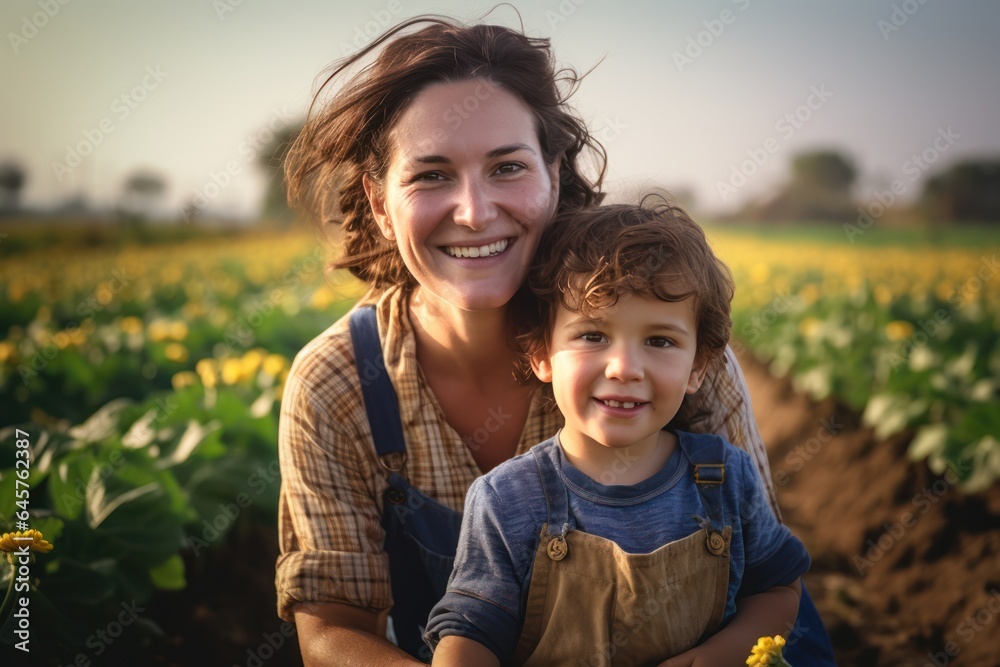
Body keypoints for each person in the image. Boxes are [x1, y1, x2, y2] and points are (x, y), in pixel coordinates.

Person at [275, 16, 831, 667]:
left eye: (507, 166)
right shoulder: (339, 384)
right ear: (376, 201)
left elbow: (765, 585)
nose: (475, 212)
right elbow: (329, 633)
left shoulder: (668, 357)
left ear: (554, 173)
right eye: (430, 176)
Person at [424, 202, 810, 666]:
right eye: (592, 336)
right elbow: (469, 635)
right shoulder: (506, 499)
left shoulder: (725, 477)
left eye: (659, 341)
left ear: (699, 366)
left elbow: (777, 588)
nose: (625, 368)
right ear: (542, 354)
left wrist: (718, 655)